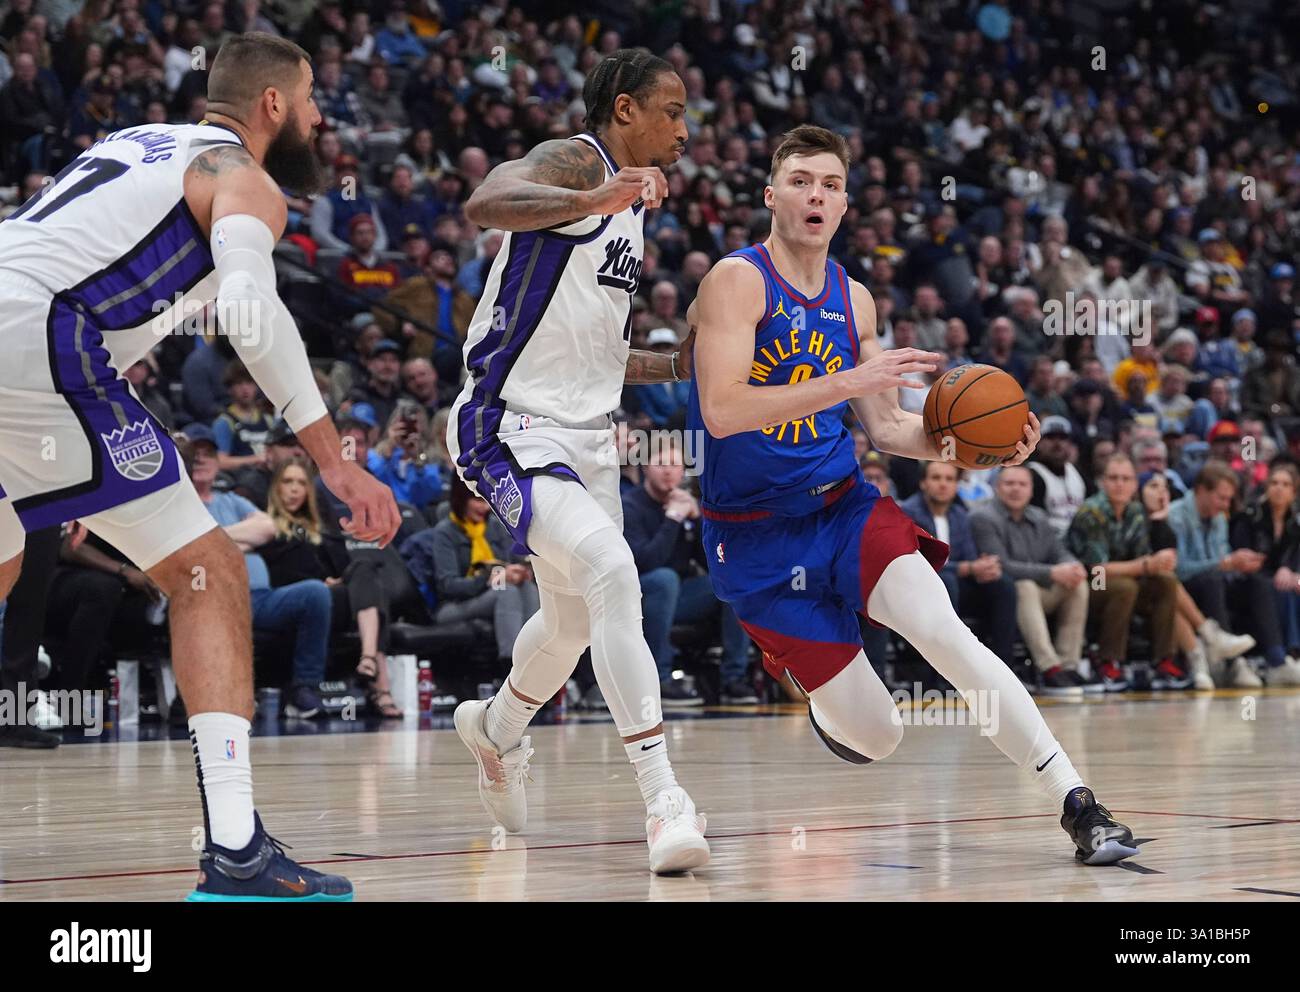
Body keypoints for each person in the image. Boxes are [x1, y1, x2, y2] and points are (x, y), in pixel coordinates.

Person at [0, 34, 401, 901]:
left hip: (15, 320)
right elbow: (251, 316)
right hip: (41, 341)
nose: (320, 118)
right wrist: (335, 462)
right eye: (310, 101)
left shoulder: (131, 141)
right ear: (271, 107)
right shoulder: (244, 178)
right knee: (207, 569)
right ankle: (236, 851)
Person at [688, 124, 1138, 866]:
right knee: (879, 734)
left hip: (842, 508)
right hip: (756, 538)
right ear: (772, 196)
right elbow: (722, 410)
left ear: (843, 205)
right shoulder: (735, 281)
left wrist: (976, 449)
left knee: (945, 631)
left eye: (831, 184)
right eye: (801, 180)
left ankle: (1078, 804)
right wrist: (847, 381)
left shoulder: (853, 299)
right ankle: (831, 704)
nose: (816, 195)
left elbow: (892, 428)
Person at [444, 48, 711, 874]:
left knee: (567, 626)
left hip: (589, 433)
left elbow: (594, 347)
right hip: (508, 424)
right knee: (613, 570)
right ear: (624, 110)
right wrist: (596, 194)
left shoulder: (632, 209)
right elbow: (484, 199)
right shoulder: (579, 162)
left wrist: (675, 365)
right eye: (670, 110)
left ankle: (494, 732)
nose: (683, 128)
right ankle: (665, 799)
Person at [260, 458, 405, 717]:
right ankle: (379, 683)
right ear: (276, 488)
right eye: (287, 482)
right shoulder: (265, 526)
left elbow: (342, 565)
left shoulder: (320, 527)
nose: (294, 489)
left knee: (364, 568)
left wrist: (336, 580)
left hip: (332, 597)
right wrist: (321, 581)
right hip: (293, 598)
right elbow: (275, 574)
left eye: (301, 483)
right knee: (367, 593)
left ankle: (368, 658)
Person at [623, 438, 756, 706]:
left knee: (733, 584)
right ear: (646, 468)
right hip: (638, 594)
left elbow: (712, 565)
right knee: (664, 579)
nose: (669, 471)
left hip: (679, 596)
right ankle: (660, 679)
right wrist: (673, 519)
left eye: (675, 464)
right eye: (660, 464)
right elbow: (646, 562)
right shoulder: (630, 506)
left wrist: (698, 523)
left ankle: (733, 679)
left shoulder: (687, 504)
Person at [970, 465, 1093, 696]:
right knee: (1023, 586)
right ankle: (1049, 667)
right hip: (996, 597)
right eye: (1009, 484)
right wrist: (1052, 573)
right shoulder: (982, 518)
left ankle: (1069, 665)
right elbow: (1002, 565)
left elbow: (1059, 551)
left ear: (1031, 490)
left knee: (1079, 585)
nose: (1016, 489)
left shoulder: (1039, 516)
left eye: (1022, 484)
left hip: (1038, 595)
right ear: (997, 487)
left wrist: (1072, 566)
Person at [1066, 453, 1181, 692]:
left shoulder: (1136, 511)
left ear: (1134, 484)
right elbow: (1097, 569)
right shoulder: (1091, 512)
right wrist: (1146, 565)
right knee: (1123, 587)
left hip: (1125, 580)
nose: (1120, 484)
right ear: (1103, 482)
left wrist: (1157, 565)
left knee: (1166, 582)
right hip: (1086, 585)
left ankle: (1164, 660)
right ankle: (1108, 661)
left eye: (1126, 479)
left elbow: (1142, 557)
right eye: (1114, 478)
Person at [1169, 462, 1288, 687]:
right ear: (1201, 490)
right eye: (1221, 498)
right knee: (1213, 581)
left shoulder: (1219, 519)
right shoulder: (1176, 516)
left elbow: (1223, 560)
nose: (1226, 505)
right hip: (1186, 589)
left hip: (1215, 581)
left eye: (1229, 499)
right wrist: (1225, 563)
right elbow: (1179, 569)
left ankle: (1277, 661)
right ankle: (1234, 663)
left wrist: (1238, 564)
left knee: (1258, 583)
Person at [900, 461, 1018, 671]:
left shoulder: (960, 515)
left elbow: (970, 558)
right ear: (923, 483)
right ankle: (947, 671)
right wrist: (965, 568)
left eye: (949, 479)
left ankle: (1002, 670)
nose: (943, 485)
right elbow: (915, 562)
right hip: (915, 588)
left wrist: (983, 568)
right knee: (947, 582)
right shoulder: (907, 513)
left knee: (1003, 586)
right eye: (936, 478)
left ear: (956, 485)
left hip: (954, 583)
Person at [430, 476, 540, 667]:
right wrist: (491, 579)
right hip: (454, 604)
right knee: (507, 591)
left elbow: (510, 562)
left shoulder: (495, 527)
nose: (485, 508)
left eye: (486, 501)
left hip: (491, 593)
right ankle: (512, 668)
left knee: (528, 588)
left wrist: (520, 571)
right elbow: (448, 586)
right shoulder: (445, 533)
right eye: (478, 501)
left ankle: (539, 664)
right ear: (460, 498)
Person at [1230, 464, 1300, 685]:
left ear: (1294, 492)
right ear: (1266, 487)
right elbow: (1242, 556)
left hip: (1284, 580)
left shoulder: (1296, 523)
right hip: (1252, 580)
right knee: (1278, 590)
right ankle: (1288, 656)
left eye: (1286, 484)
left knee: (1292, 587)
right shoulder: (1250, 517)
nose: (1279, 489)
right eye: (1274, 483)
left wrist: (1291, 572)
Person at [1025, 415, 1087, 536]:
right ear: (1039, 442)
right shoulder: (1032, 475)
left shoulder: (1077, 472)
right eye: (1051, 437)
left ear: (1070, 444)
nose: (1057, 443)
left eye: (1062, 438)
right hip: (1047, 542)